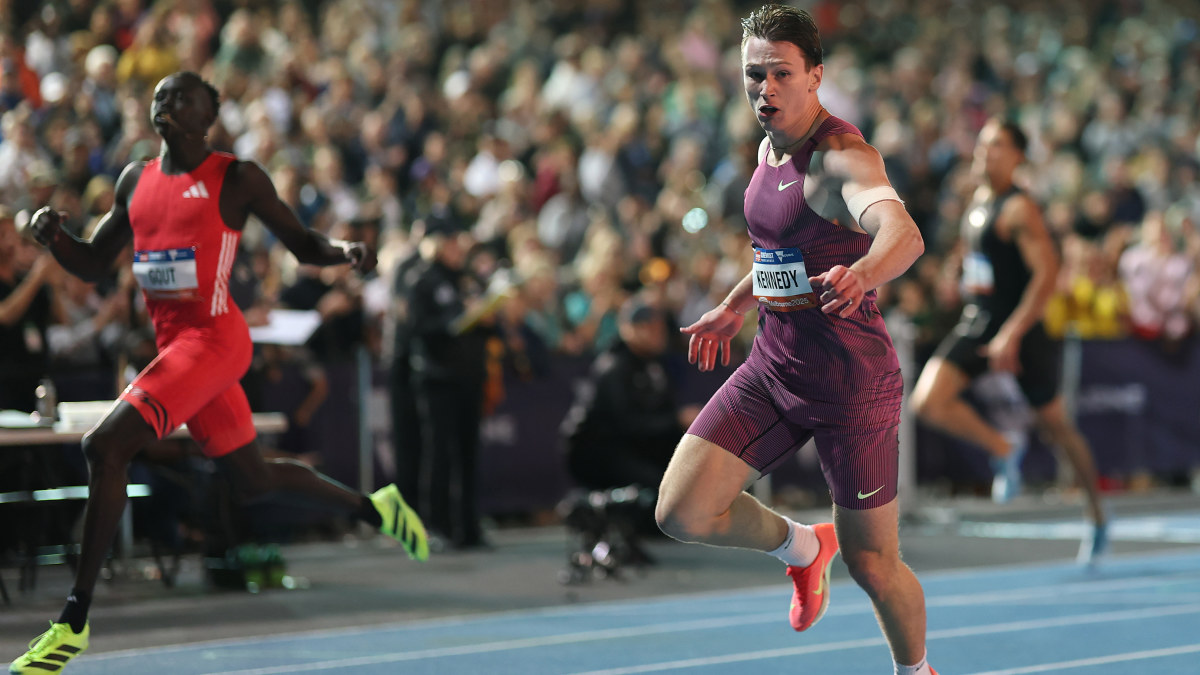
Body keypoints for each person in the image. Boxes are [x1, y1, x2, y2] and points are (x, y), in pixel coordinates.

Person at [9, 72, 428, 675]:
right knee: (252, 478)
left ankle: (72, 623)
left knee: (104, 446)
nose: (166, 101)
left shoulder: (237, 178)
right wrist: (56, 239)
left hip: (214, 339)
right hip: (176, 344)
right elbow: (96, 263)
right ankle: (375, 508)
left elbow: (302, 244)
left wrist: (346, 253)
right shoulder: (136, 179)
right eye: (159, 94)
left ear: (209, 115)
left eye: (182, 95)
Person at [654, 6, 937, 675]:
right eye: (755, 75)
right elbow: (777, 250)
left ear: (815, 76)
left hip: (850, 385)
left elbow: (905, 233)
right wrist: (732, 303)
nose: (765, 89)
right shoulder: (766, 146)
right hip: (773, 366)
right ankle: (804, 548)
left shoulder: (843, 157)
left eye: (781, 74)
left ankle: (916, 671)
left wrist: (865, 269)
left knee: (874, 563)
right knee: (682, 510)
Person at [910, 118, 1108, 564]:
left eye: (997, 146)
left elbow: (1047, 275)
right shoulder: (978, 200)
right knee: (927, 401)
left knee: (1057, 427)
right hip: (978, 319)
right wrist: (956, 276)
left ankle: (1096, 513)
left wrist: (1012, 334)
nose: (986, 153)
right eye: (982, 144)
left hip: (1023, 329)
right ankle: (1003, 448)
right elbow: (981, 257)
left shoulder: (1021, 209)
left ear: (1018, 156)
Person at [405, 219, 492, 550]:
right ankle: (437, 524)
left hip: (469, 377)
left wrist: (485, 319)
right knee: (439, 453)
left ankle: (469, 527)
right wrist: (456, 322)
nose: (459, 249)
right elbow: (419, 328)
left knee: (469, 453)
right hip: (437, 378)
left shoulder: (466, 280)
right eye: (453, 243)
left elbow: (481, 327)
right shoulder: (423, 280)